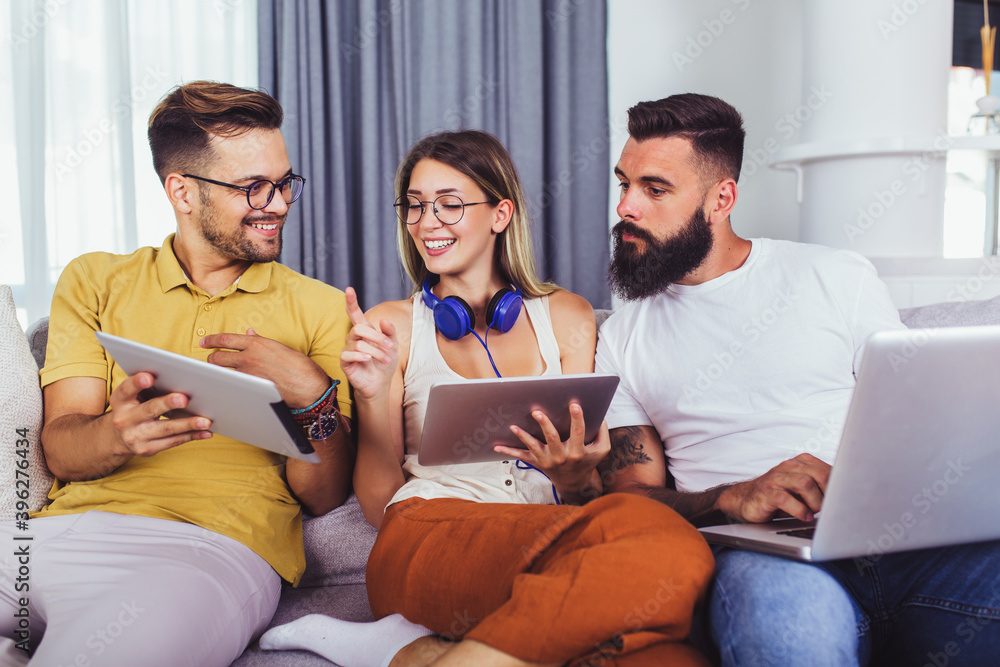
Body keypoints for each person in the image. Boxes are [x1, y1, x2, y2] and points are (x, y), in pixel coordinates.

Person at [258, 130, 714, 667]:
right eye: (415, 206)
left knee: (669, 658)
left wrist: (571, 479)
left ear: (501, 214)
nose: (428, 223)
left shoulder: (566, 317)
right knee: (665, 539)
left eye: (450, 205)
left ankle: (410, 652)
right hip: (425, 532)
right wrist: (374, 390)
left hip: (543, 532)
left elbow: (585, 491)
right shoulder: (391, 326)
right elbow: (380, 506)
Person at [595, 93, 1000, 666]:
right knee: (789, 640)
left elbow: (917, 414)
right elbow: (631, 495)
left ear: (722, 198)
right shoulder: (621, 338)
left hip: (906, 543)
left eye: (654, 189)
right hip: (769, 559)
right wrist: (733, 498)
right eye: (624, 184)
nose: (626, 208)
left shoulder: (835, 276)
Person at [0, 81, 355, 666]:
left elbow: (324, 496)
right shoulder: (95, 280)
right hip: (56, 537)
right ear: (182, 191)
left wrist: (312, 395)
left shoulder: (319, 309)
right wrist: (116, 434)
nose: (279, 203)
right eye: (252, 188)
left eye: (285, 182)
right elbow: (62, 450)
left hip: (208, 552)